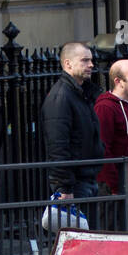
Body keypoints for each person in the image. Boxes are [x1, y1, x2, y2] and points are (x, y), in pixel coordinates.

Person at [41, 41, 104, 224]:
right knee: (80, 243)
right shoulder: (61, 97)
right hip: (75, 184)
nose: (91, 65)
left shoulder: (81, 94)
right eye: (85, 60)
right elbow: (57, 145)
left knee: (90, 240)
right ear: (68, 64)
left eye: (91, 60)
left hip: (87, 178)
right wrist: (64, 187)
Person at [95, 58, 128, 197]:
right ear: (118, 81)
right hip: (115, 188)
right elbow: (102, 149)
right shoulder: (105, 107)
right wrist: (114, 187)